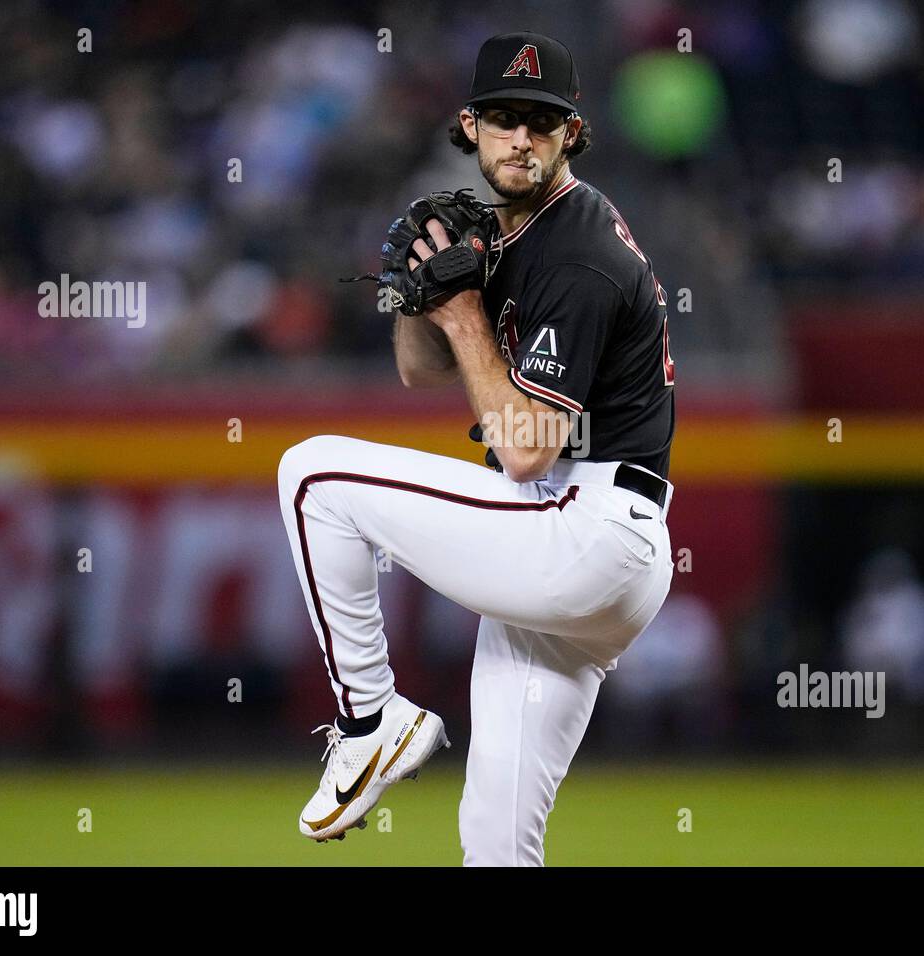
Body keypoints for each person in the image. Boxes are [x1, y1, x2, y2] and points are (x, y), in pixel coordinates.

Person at [277, 31, 676, 866]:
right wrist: (418, 294)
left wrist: (461, 311)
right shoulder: (510, 235)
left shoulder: (581, 252)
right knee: (496, 846)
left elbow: (528, 450)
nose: (520, 138)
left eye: (541, 121)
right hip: (581, 549)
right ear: (471, 126)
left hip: (583, 523)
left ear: (574, 133)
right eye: (503, 119)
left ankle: (369, 718)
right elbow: (421, 372)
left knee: (313, 475)